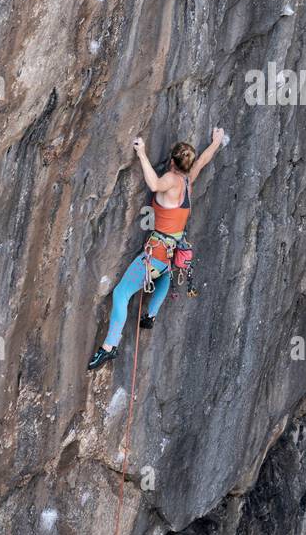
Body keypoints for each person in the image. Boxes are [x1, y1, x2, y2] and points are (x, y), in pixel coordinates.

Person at [87, 128, 226, 371]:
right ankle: (150, 315)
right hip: (172, 252)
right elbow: (203, 160)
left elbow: (153, 183)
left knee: (121, 294)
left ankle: (110, 347)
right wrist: (215, 142)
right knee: (163, 274)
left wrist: (141, 153)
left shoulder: (172, 180)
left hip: (158, 253)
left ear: (172, 161)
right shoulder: (187, 180)